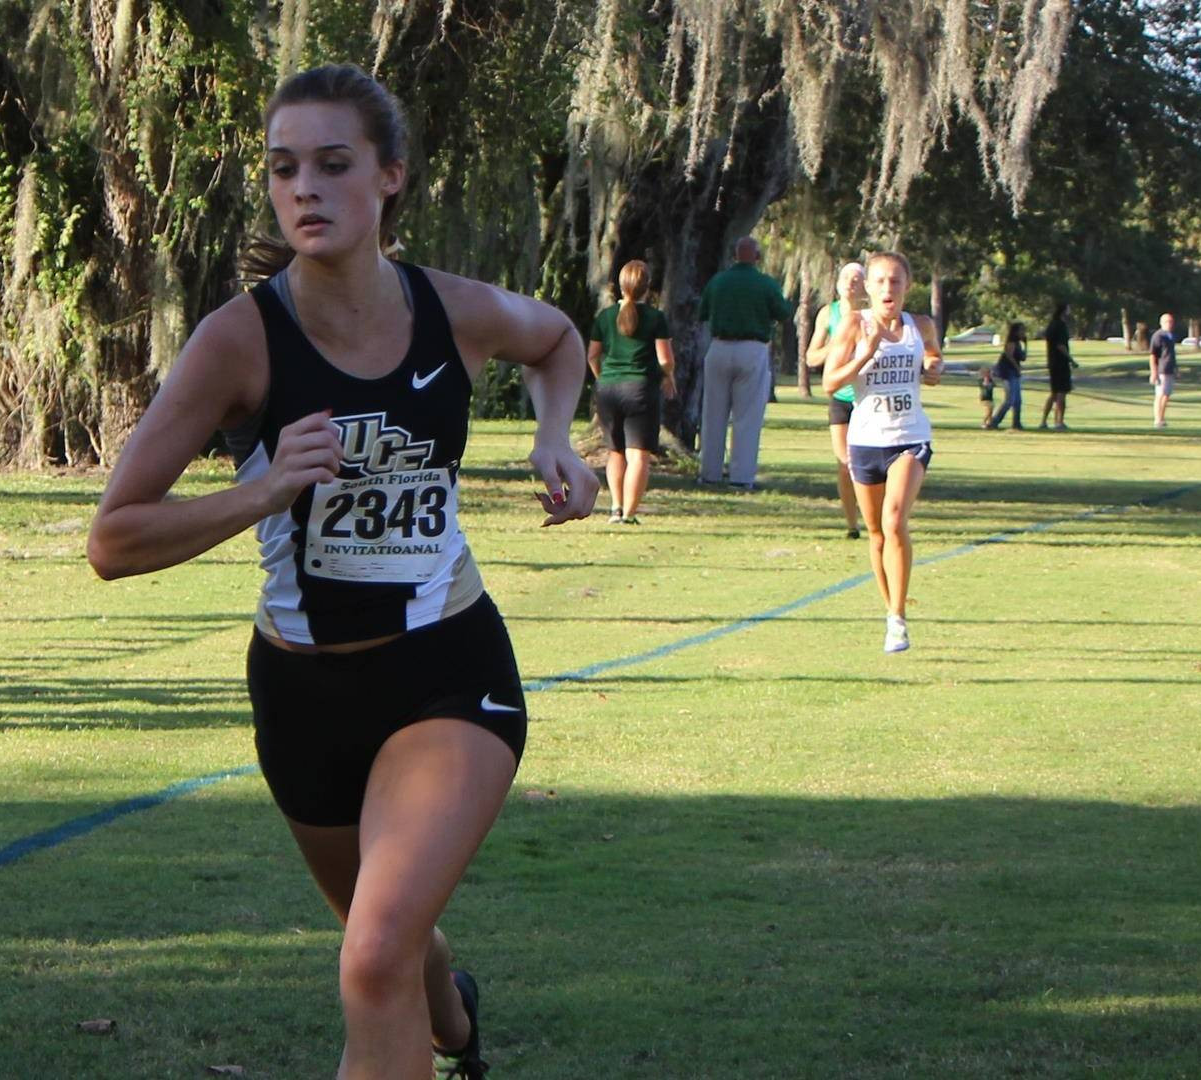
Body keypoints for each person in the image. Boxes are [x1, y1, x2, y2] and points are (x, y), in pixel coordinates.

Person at [87, 64, 597, 1079]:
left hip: (446, 669)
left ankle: (425, 1003)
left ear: (390, 178)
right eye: (283, 170)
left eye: (332, 164)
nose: (304, 190)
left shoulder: (451, 311)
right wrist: (259, 492)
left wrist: (555, 440)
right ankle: (453, 1020)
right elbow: (114, 540)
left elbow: (558, 339)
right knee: (394, 947)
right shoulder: (238, 341)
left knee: (370, 959)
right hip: (303, 692)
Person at [823, 251, 943, 653]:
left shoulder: (920, 324)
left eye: (896, 281)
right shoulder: (855, 324)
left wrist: (933, 366)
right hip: (865, 440)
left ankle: (898, 617)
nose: (889, 289)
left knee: (894, 521)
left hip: (909, 437)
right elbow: (829, 382)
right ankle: (889, 611)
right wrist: (866, 350)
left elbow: (933, 355)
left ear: (908, 285)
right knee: (875, 533)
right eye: (881, 282)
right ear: (868, 288)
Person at [695, 236, 793, 489]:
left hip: (719, 347)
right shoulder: (765, 283)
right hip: (752, 348)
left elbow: (703, 313)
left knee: (713, 414)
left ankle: (710, 473)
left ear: (735, 255)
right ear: (757, 257)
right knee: (747, 417)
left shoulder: (718, 281)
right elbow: (783, 313)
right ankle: (741, 477)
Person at [586, 259, 675, 523]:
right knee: (639, 455)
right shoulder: (656, 318)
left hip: (609, 390)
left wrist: (603, 377)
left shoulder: (605, 316)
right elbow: (665, 359)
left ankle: (615, 507)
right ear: (647, 287)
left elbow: (592, 355)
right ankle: (629, 513)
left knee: (615, 452)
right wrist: (668, 376)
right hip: (641, 389)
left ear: (620, 286)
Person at [803, 261, 867, 538]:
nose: (851, 282)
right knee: (845, 463)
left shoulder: (872, 315)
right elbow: (811, 357)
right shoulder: (828, 314)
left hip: (870, 398)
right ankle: (852, 525)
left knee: (872, 464)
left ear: (865, 286)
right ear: (838, 284)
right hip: (841, 396)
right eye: (845, 277)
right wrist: (837, 343)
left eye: (857, 278)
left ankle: (877, 518)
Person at [1040, 302, 1075, 429]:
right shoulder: (1060, 325)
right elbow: (1061, 345)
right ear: (1064, 310)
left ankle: (1044, 421)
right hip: (1060, 363)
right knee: (1061, 393)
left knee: (1054, 393)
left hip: (1052, 362)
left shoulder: (1051, 325)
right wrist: (1071, 359)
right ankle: (1059, 421)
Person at [986, 321, 1025, 430]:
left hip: (1014, 373)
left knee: (1018, 400)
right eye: (1021, 330)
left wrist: (1026, 345)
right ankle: (994, 422)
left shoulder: (1018, 343)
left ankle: (1016, 423)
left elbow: (1022, 357)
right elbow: (1009, 356)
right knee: (1010, 400)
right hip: (1008, 373)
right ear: (1016, 331)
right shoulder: (1011, 342)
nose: (1023, 332)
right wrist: (1017, 368)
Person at [1149, 313, 1178, 428]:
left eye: (1171, 322)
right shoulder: (1158, 336)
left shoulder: (1170, 336)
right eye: (1167, 322)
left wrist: (1176, 368)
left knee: (1166, 395)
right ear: (1161, 323)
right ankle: (1158, 419)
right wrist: (1154, 372)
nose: (1169, 324)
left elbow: (1171, 354)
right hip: (1162, 369)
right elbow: (1153, 355)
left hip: (1170, 369)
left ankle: (1162, 417)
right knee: (1161, 395)